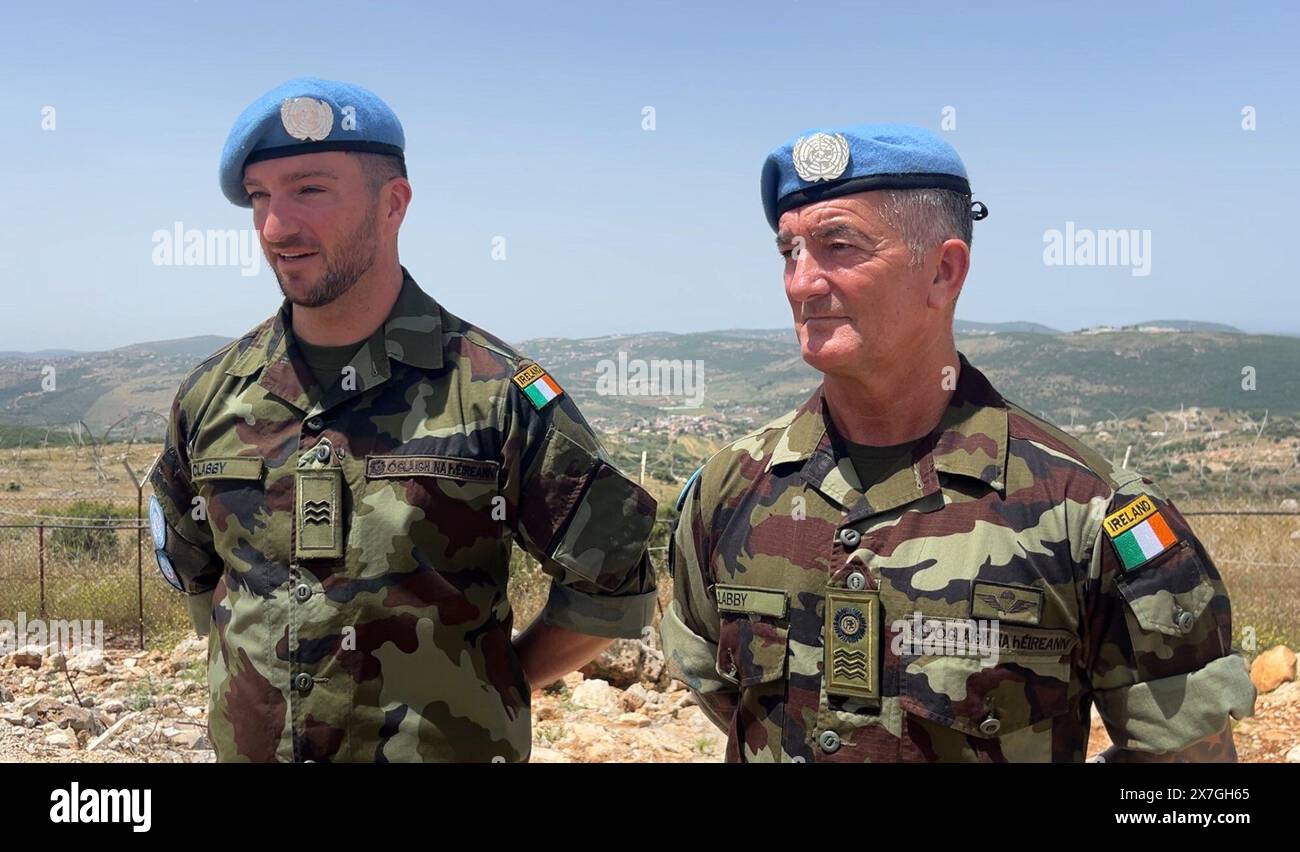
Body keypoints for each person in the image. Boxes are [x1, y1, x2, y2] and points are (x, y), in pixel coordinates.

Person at [659, 123, 1255, 762]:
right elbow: (719, 690)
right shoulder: (730, 491)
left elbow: (1190, 770)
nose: (801, 283)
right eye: (789, 252)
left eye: (837, 245)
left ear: (943, 271)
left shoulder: (1088, 513)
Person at [148, 78, 658, 762]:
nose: (276, 227)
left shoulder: (498, 392)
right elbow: (201, 579)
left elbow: (610, 588)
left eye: (308, 190)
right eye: (261, 198)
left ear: (393, 205)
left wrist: (494, 684)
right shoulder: (212, 395)